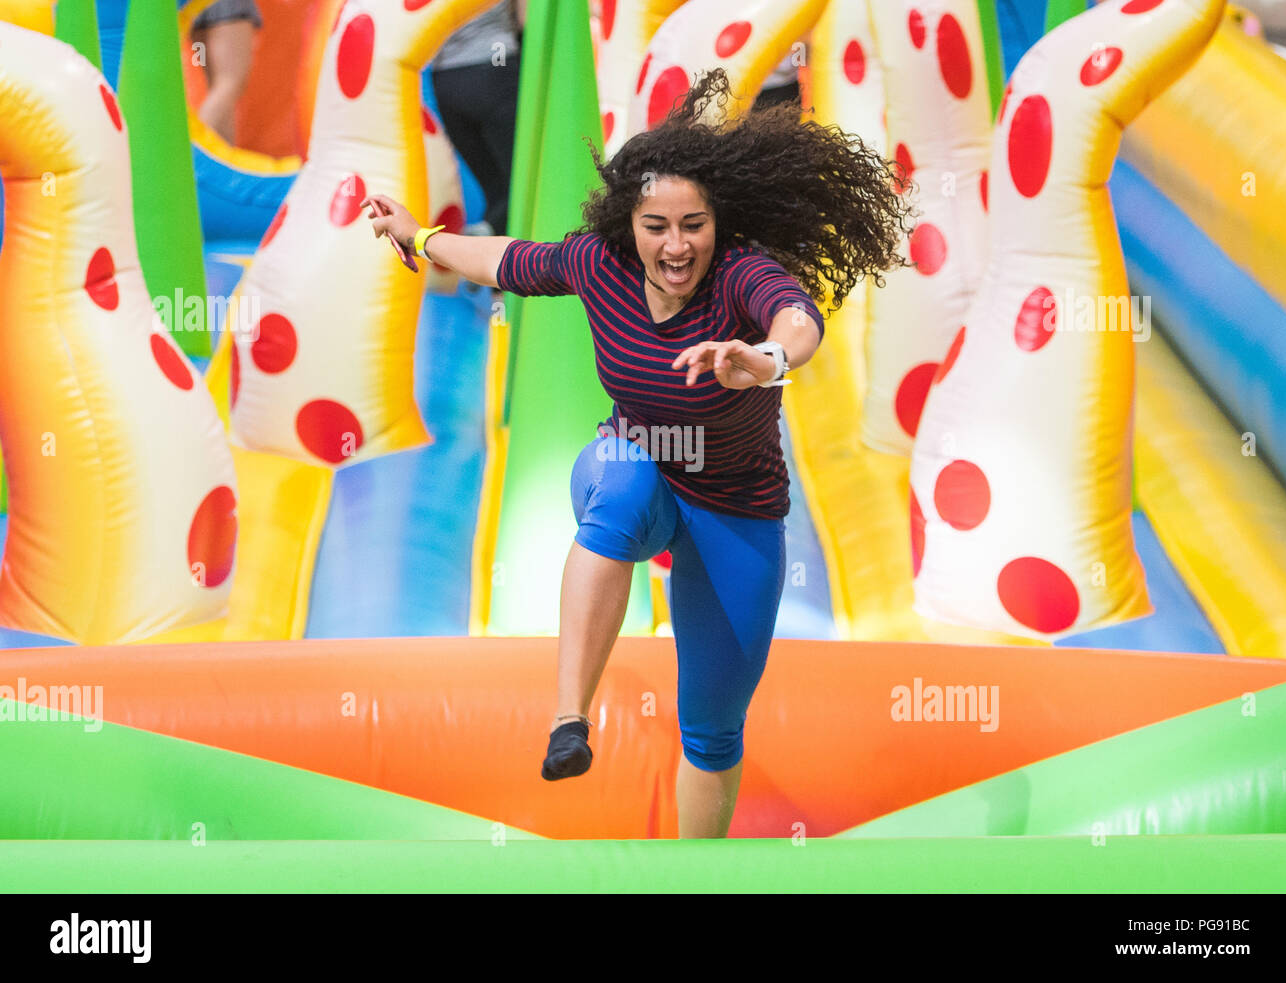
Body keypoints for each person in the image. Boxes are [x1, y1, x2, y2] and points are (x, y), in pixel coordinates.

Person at [363, 69, 912, 838]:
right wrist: (418, 235)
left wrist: (767, 359)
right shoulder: (598, 264)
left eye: (694, 224)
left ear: (718, 224)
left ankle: (694, 877)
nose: (677, 244)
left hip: (737, 505)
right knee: (618, 490)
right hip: (637, 467)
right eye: (657, 225)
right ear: (630, 223)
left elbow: (797, 314)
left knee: (714, 729)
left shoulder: (741, 274)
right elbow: (505, 260)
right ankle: (568, 719)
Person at [429, 0, 526, 235]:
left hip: (446, 78)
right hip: (495, 63)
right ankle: (487, 234)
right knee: (522, 178)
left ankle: (487, 243)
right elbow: (526, 19)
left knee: (495, 188)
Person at [190, 0, 262, 146]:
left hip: (194, 8)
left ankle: (222, 156)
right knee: (229, 83)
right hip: (227, 7)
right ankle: (190, 147)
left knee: (219, 90)